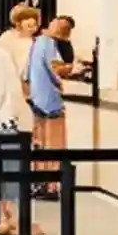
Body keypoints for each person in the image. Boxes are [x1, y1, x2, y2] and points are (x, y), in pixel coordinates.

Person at [0, 3, 44, 235]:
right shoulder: (9, 47)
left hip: (8, 113)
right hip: (12, 114)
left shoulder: (4, 47)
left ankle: (6, 218)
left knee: (9, 166)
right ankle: (12, 219)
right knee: (14, 166)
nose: (32, 25)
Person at [26, 17, 72, 199]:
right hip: (50, 102)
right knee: (55, 144)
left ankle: (37, 182)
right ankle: (51, 185)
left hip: (36, 99)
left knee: (39, 142)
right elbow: (57, 68)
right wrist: (74, 68)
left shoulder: (36, 44)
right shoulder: (49, 44)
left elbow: (26, 74)